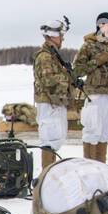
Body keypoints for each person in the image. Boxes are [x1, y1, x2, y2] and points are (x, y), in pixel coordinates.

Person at [72, 12, 108, 163]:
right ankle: (89, 165)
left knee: (105, 132)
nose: (104, 25)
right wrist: (97, 61)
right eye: (101, 22)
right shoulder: (89, 45)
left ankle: (101, 167)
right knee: (92, 131)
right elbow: (77, 70)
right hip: (94, 95)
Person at [32, 17, 75, 170]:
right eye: (60, 35)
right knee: (49, 141)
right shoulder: (45, 56)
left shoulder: (53, 55)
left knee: (55, 139)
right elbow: (48, 79)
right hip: (49, 104)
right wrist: (68, 79)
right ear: (52, 36)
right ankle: (46, 175)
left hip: (55, 102)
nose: (62, 38)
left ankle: (50, 174)